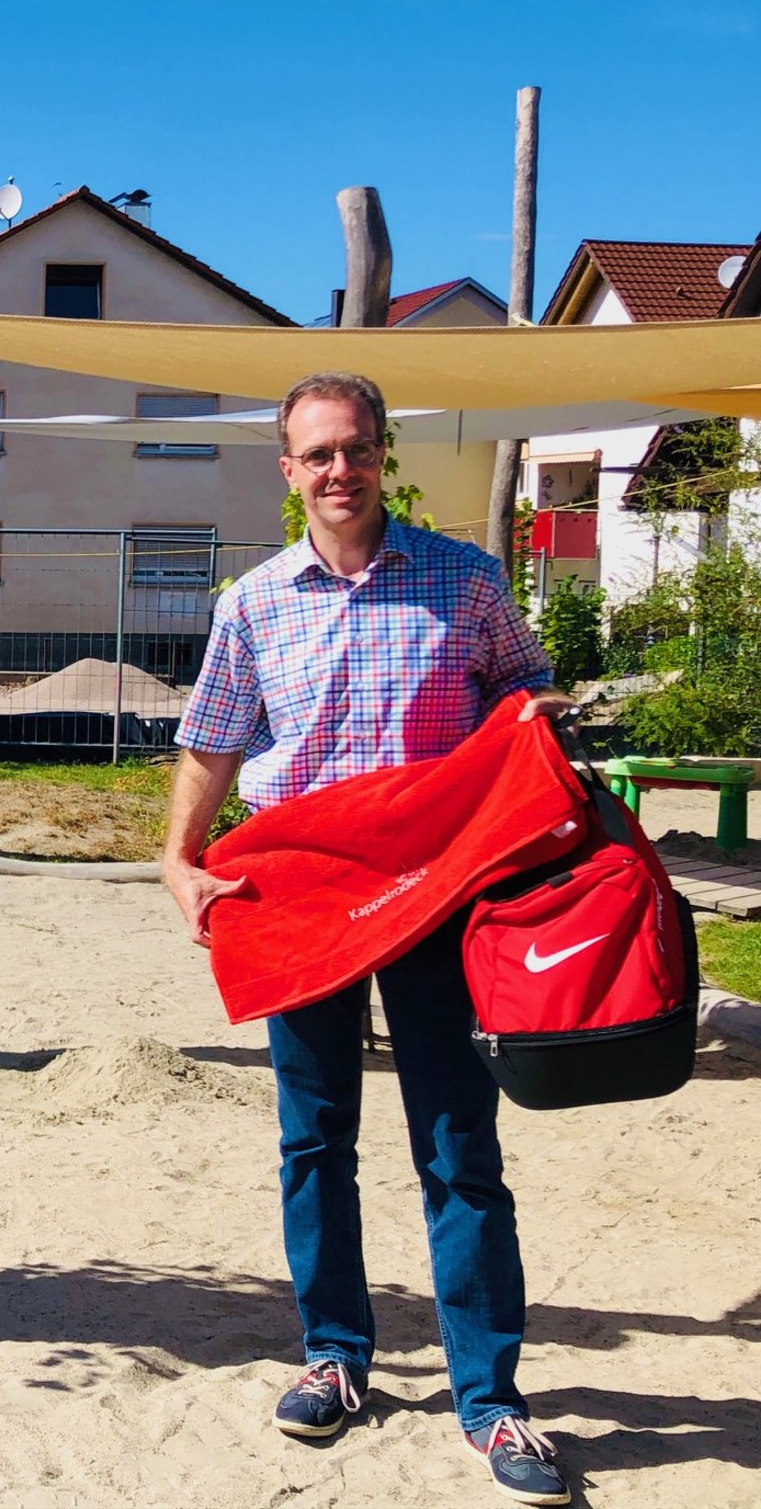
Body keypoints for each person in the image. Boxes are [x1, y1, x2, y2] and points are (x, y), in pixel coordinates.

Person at [162, 373, 576, 1506]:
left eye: (355, 449)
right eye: (316, 455)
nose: (338, 471)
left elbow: (523, 695)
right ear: (285, 471)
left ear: (380, 456)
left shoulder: (465, 580)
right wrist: (177, 857)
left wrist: (527, 736)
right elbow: (210, 738)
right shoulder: (252, 602)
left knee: (455, 1147)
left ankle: (489, 1401)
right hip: (298, 899)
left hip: (437, 899)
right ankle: (335, 1359)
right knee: (312, 1142)